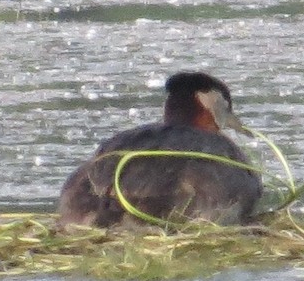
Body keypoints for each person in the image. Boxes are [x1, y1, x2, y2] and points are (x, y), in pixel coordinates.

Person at [58, 71, 261, 228]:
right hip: (159, 216)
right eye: (225, 109)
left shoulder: (129, 139)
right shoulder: (216, 150)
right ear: (210, 105)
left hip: (89, 214)